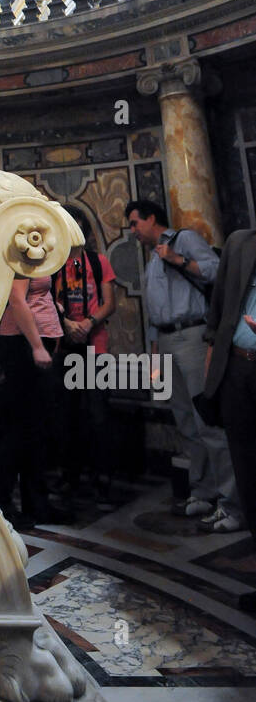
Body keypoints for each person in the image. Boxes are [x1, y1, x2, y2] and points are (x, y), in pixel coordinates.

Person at [125, 198, 241, 530]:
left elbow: (217, 271)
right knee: (186, 422)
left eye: (135, 223)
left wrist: (176, 259)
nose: (133, 231)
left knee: (207, 420)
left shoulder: (182, 240)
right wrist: (153, 353)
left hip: (192, 336)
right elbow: (154, 310)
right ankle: (203, 492)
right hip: (166, 341)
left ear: (151, 219)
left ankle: (232, 502)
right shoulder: (150, 259)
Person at [200, 230, 256, 598]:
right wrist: (212, 376)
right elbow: (218, 314)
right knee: (249, 476)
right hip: (237, 370)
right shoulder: (240, 244)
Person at [0, 276, 63, 529]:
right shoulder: (25, 245)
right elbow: (17, 299)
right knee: (19, 430)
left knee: (36, 430)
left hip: (31, 341)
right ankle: (0, 501)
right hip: (22, 344)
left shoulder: (40, 248)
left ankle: (35, 502)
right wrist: (38, 346)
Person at [52, 206, 117, 508]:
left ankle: (102, 476)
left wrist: (89, 323)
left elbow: (109, 302)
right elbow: (48, 300)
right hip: (65, 348)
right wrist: (66, 324)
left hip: (95, 346)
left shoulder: (97, 261)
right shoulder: (53, 263)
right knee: (67, 414)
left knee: (98, 414)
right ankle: (70, 474)